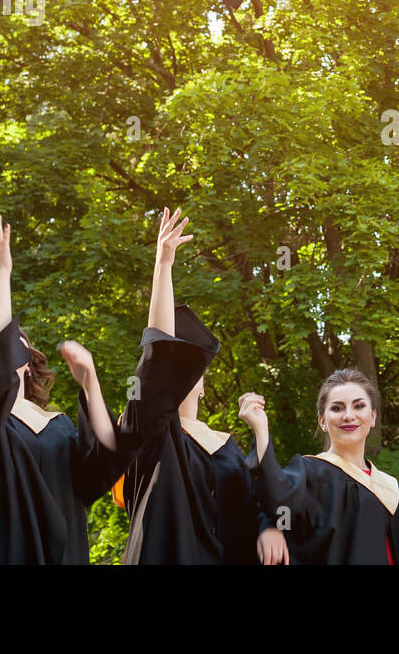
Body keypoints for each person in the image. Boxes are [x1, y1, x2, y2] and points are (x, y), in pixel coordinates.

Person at [0, 211, 129, 563]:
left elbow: (103, 465)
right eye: (1, 343)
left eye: (20, 341)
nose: (11, 344)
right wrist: (1, 271)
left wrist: (91, 383)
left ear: (30, 362)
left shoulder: (58, 425)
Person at [116, 208, 287, 564]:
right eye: (172, 366)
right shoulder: (151, 432)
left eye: (188, 368)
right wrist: (163, 266)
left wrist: (268, 525)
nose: (177, 372)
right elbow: (159, 354)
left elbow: (258, 501)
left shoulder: (225, 447)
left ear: (203, 385)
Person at [239, 370, 399, 563]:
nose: (348, 416)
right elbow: (276, 500)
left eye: (359, 406)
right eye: (337, 408)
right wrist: (261, 429)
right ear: (322, 421)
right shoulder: (309, 473)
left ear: (373, 417)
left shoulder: (391, 488)